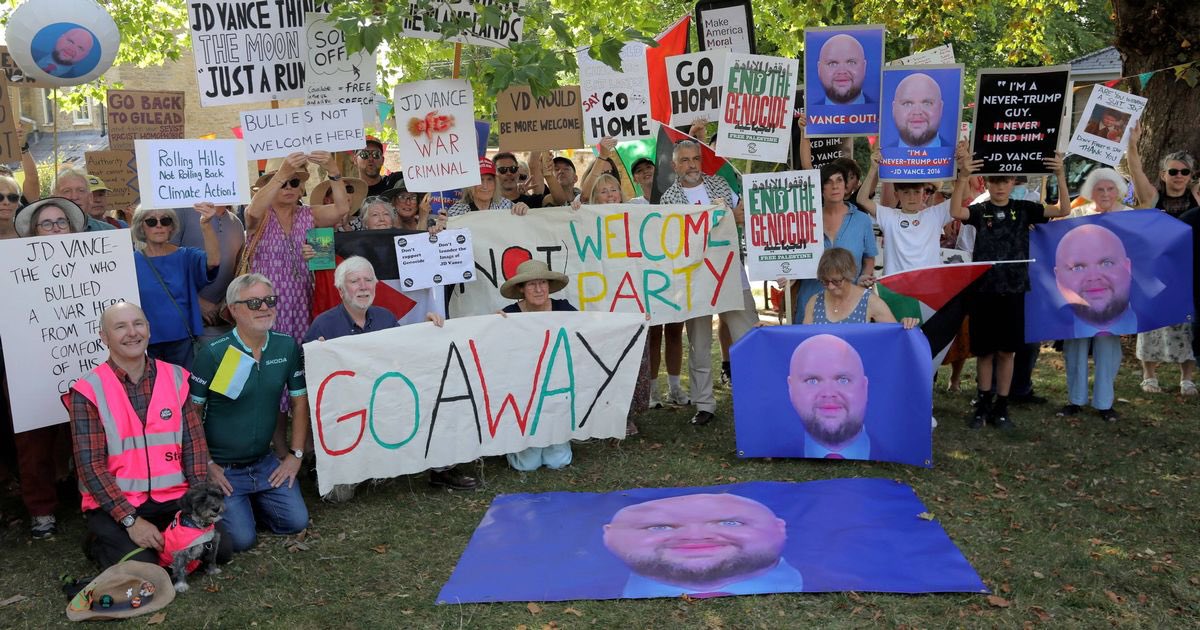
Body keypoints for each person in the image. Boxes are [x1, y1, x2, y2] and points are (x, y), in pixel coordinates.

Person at [69, 302, 233, 569]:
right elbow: (91, 467)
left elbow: (194, 446)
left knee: (220, 550)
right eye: (120, 327)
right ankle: (99, 541)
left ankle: (154, 546)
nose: (131, 332)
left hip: (173, 500)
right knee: (147, 567)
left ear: (149, 330)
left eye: (138, 324)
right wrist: (130, 521)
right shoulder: (88, 391)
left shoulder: (176, 377)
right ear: (104, 338)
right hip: (117, 505)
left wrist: (199, 506)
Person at [304, 257, 475, 495]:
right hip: (349, 414)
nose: (363, 286)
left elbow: (404, 355)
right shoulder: (323, 326)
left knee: (436, 395)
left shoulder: (385, 317)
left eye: (368, 280)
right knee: (338, 496)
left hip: (386, 402)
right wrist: (318, 357)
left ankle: (442, 468)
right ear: (341, 290)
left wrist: (426, 331)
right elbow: (310, 383)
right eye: (354, 281)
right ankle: (336, 465)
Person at [950, 147, 1070, 430]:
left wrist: (1060, 175)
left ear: (1013, 181)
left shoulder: (1024, 209)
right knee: (985, 352)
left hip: (1014, 290)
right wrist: (963, 175)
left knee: (1007, 352)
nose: (1000, 186)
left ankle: (1002, 406)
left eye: (1005, 181)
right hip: (984, 291)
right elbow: (956, 211)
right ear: (987, 183)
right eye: (994, 181)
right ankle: (982, 404)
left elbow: (1063, 210)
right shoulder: (981, 211)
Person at [189, 274, 310, 552]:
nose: (265, 308)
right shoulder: (213, 353)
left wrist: (295, 456)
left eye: (269, 300)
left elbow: (299, 403)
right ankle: (239, 503)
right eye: (254, 302)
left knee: (296, 522)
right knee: (243, 541)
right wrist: (206, 464)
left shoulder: (286, 346)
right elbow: (192, 413)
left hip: (265, 462)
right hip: (224, 469)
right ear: (233, 309)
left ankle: (252, 502)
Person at [658, 140, 761, 426]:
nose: (692, 165)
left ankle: (756, 392)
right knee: (700, 344)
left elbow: (744, 213)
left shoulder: (720, 185)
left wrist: (738, 215)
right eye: (685, 160)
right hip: (696, 282)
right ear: (675, 165)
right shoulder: (668, 200)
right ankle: (704, 404)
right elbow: (672, 240)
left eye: (696, 159)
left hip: (731, 274)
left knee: (748, 334)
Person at [9, 197, 88, 539]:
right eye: (47, 224)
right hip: (30, 367)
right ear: (32, 232)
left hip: (83, 363)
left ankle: (96, 500)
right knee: (34, 444)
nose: (56, 229)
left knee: (90, 438)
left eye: (62, 223)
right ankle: (41, 511)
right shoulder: (11, 268)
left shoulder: (93, 263)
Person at [1055, 169, 1137, 422]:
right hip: (1080, 290)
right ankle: (1075, 400)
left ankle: (1104, 402)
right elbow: (1056, 234)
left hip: (1113, 292)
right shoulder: (1078, 215)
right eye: (1100, 189)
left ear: (1119, 191)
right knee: (1076, 343)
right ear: (1091, 192)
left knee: (1107, 343)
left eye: (1110, 189)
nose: (1105, 194)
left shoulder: (1131, 217)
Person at [602, 494, 802, 597]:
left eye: (730, 523)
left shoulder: (828, 573)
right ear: (609, 536)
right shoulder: (589, 585)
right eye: (659, 526)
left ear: (779, 528)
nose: (695, 536)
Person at [245, 151, 350, 341]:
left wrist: (333, 170)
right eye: (282, 183)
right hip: (264, 305)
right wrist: (282, 173)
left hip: (302, 302)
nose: (288, 187)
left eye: (294, 182)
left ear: (301, 188)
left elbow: (341, 209)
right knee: (269, 357)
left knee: (301, 359)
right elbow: (252, 212)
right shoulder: (261, 214)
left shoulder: (308, 214)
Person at [1126, 126, 1198, 396]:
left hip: (1187, 272)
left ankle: (1187, 377)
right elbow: (1135, 173)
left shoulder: (1197, 198)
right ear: (1163, 174)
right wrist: (1132, 145)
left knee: (1187, 323)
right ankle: (1149, 374)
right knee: (1151, 323)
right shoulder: (1153, 198)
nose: (1178, 177)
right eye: (1173, 171)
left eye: (1184, 172)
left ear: (1191, 176)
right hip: (1154, 272)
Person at [497, 260, 577, 470]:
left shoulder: (564, 309)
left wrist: (635, 321)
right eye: (532, 284)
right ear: (521, 289)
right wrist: (493, 326)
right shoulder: (508, 315)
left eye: (543, 283)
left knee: (559, 461)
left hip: (557, 390)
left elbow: (593, 330)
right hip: (524, 393)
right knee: (527, 465)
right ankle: (515, 444)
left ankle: (558, 437)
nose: (539, 289)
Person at [132, 205, 221, 370]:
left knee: (184, 391)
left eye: (165, 220)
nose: (159, 225)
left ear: (172, 226)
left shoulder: (186, 256)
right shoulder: (130, 262)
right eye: (151, 221)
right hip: (144, 342)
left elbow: (213, 261)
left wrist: (206, 225)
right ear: (141, 227)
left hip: (182, 341)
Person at [791, 164, 878, 322]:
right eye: (828, 181)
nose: (835, 186)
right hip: (810, 303)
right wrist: (787, 276)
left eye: (839, 180)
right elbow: (793, 258)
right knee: (810, 346)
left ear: (846, 186)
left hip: (851, 305)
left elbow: (869, 259)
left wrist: (862, 280)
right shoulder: (805, 219)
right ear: (820, 188)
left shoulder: (862, 220)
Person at [857, 148, 953, 276]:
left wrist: (961, 173)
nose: (912, 198)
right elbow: (861, 199)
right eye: (906, 193)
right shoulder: (889, 216)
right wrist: (873, 168)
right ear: (897, 195)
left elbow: (962, 198)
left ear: (924, 194)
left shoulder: (935, 215)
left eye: (916, 192)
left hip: (927, 288)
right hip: (895, 289)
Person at [787, 334, 879, 459]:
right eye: (812, 380)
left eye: (843, 380)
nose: (828, 393)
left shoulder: (903, 457)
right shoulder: (768, 458)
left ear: (865, 387)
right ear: (791, 389)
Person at [171, 204, 246, 342]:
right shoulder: (183, 212)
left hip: (222, 321)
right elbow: (166, 262)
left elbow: (237, 271)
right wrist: (198, 302)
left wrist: (224, 304)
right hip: (184, 320)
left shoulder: (236, 223)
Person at [1054, 224, 1136, 337]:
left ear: (1128, 268)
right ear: (1058, 278)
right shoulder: (1048, 328)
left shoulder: (1154, 323)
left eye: (1107, 263)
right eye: (1077, 267)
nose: (1093, 277)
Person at [802, 248, 915, 327]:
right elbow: (805, 338)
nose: (830, 287)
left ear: (849, 275)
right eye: (825, 281)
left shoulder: (869, 301)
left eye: (836, 281)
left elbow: (894, 333)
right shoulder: (815, 301)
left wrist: (905, 324)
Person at [444, 157, 530, 218]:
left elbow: (526, 225)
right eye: (480, 180)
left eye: (490, 179)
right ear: (471, 184)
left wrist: (524, 210)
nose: (485, 186)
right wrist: (443, 226)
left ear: (496, 183)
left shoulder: (507, 206)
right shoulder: (457, 211)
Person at [889, 73, 949, 149]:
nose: (917, 112)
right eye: (907, 104)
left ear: (940, 108)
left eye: (927, 103)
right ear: (894, 109)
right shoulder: (881, 156)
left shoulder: (958, 157)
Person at [52, 167, 115, 232]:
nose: (74, 197)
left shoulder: (109, 231)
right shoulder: (43, 234)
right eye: (67, 191)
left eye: (81, 190)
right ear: (53, 199)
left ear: (90, 198)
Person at [816, 34, 868, 105]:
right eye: (832, 64)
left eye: (851, 62)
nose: (842, 71)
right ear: (819, 69)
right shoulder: (807, 113)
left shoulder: (882, 112)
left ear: (864, 67)